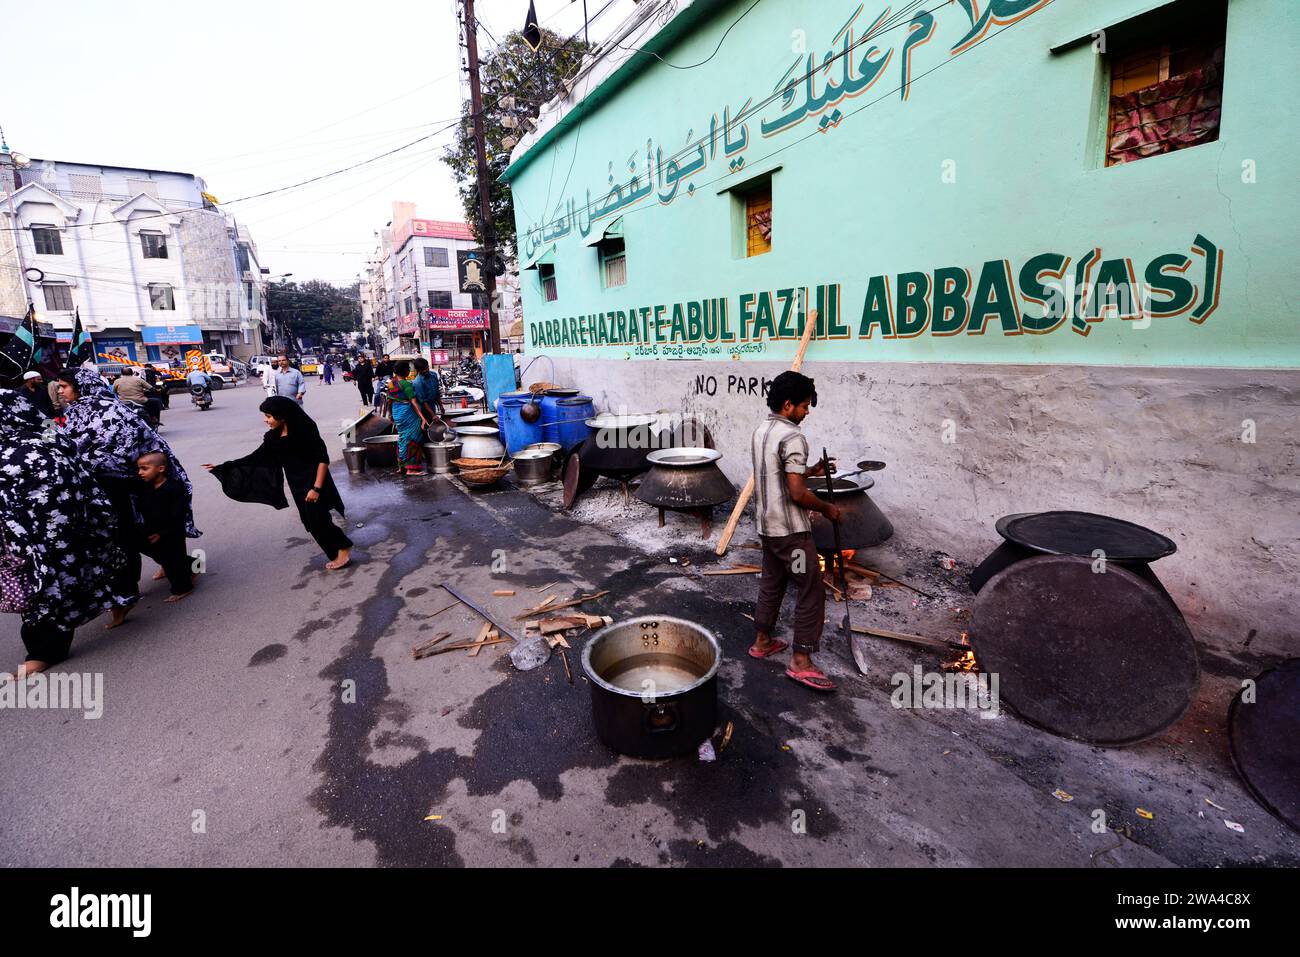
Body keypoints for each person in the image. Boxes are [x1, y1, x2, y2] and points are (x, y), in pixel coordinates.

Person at [0, 390, 132, 676]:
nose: (60, 389)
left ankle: (44, 653)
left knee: (50, 589)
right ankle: (116, 601)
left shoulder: (38, 443)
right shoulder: (45, 433)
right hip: (58, 531)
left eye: (65, 384)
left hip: (51, 535)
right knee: (69, 580)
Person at [56, 368, 200, 628]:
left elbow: (129, 448)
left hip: (123, 486)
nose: (60, 391)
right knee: (131, 538)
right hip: (96, 489)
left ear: (80, 386)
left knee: (131, 537)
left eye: (64, 386)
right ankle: (177, 567)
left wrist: (93, 463)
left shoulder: (110, 411)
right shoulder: (73, 413)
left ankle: (140, 590)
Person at [748, 369, 841, 693]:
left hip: (767, 529)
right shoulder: (794, 437)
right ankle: (801, 662)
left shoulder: (762, 430)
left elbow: (781, 475)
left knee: (773, 582)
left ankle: (762, 641)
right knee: (810, 588)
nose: (807, 412)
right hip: (792, 536)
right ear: (788, 405)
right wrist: (827, 508)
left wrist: (811, 470)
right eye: (804, 406)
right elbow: (798, 494)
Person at [205, 397, 352, 570]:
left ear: (282, 416)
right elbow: (256, 457)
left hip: (315, 481)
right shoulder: (272, 437)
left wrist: (316, 488)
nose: (265, 420)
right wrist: (226, 466)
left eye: (269, 416)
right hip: (297, 484)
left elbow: (323, 460)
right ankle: (337, 551)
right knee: (310, 521)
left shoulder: (305, 430)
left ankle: (343, 548)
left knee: (319, 518)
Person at [130, 451, 196, 601]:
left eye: (144, 469)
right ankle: (193, 564)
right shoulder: (146, 487)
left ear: (160, 469)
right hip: (152, 529)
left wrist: (163, 532)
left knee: (174, 558)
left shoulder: (173, 488)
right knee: (160, 554)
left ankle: (183, 588)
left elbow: (178, 514)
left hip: (172, 531)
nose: (140, 473)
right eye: (139, 469)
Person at [383, 361, 429, 476]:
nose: (409, 371)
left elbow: (389, 400)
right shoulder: (406, 384)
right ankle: (411, 469)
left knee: (402, 438)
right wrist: (423, 418)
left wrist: (390, 415)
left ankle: (402, 466)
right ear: (404, 371)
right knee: (413, 438)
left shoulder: (391, 383)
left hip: (397, 413)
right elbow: (414, 403)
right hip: (407, 413)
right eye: (408, 369)